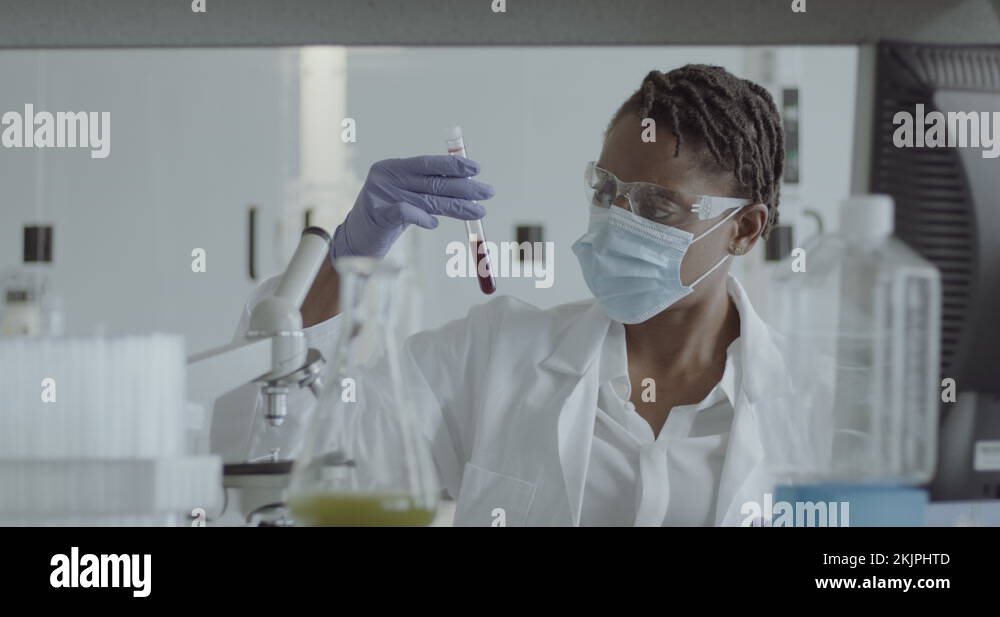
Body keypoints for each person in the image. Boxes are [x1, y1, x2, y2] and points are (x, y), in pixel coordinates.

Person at [215, 64, 826, 526]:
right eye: (606, 191)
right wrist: (345, 262)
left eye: (656, 206)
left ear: (745, 229)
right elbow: (273, 460)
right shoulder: (495, 354)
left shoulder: (816, 402)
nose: (616, 221)